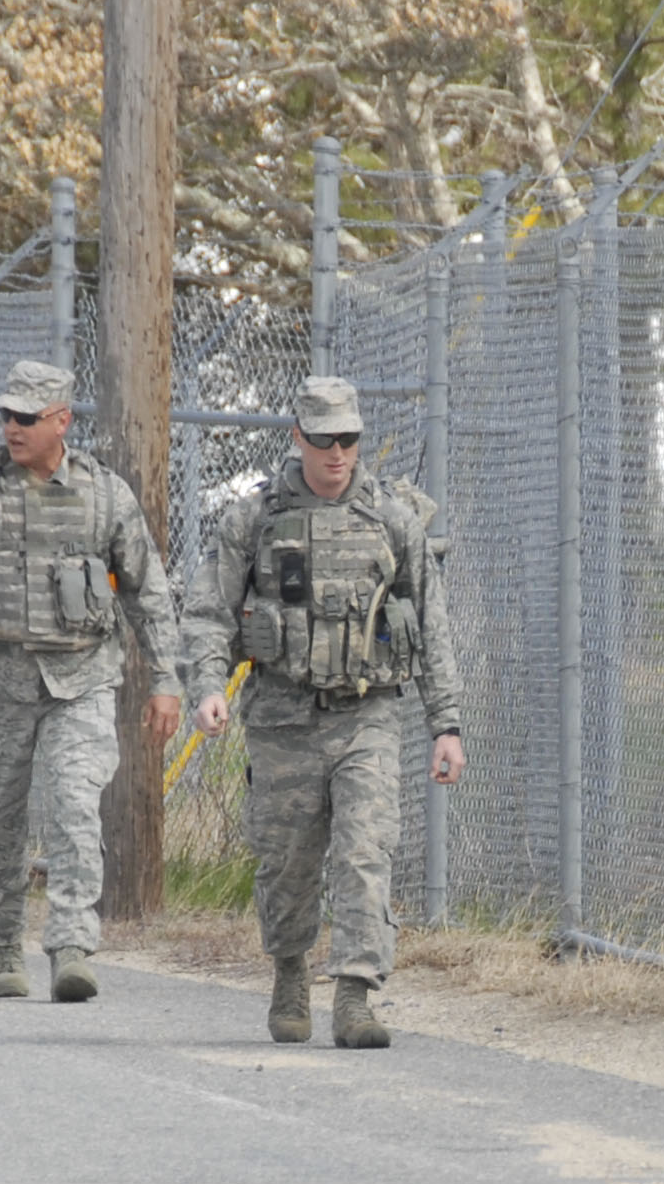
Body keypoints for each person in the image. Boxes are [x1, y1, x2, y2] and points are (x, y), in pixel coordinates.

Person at [180, 375, 464, 1048]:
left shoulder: (391, 518)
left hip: (367, 714)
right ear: (297, 438)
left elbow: (433, 624)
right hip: (281, 716)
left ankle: (358, 996)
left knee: (365, 853)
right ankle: (287, 974)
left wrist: (445, 725)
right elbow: (209, 611)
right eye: (323, 439)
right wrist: (208, 686)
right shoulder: (253, 518)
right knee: (286, 863)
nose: (338, 453)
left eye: (349, 439)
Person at [0, 359, 174, 1004]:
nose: (12, 428)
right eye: (6, 416)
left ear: (61, 421)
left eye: (27, 418)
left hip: (81, 679)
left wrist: (166, 677)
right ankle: (1, 944)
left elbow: (147, 590)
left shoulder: (105, 493)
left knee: (75, 806)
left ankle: (73, 944)